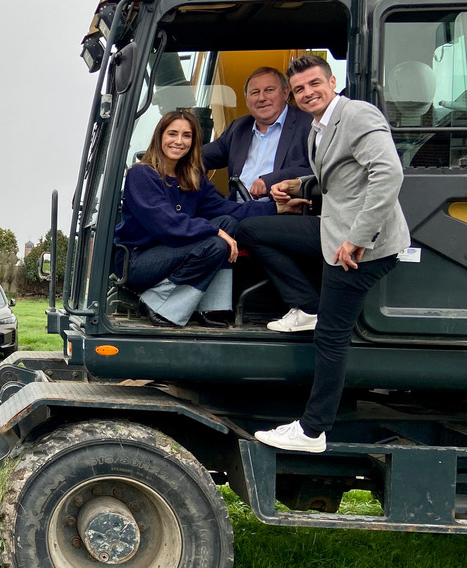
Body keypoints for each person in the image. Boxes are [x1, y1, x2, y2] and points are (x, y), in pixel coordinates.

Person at [243, 54, 410, 453]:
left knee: (332, 338)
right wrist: (298, 187)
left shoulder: (357, 115)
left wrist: (357, 239)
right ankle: (306, 305)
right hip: (334, 229)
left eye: (314, 84)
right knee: (254, 228)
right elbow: (336, 178)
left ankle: (312, 429)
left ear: (332, 82)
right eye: (299, 89)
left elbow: (388, 174)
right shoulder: (318, 127)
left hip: (359, 246)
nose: (307, 93)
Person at [114, 109, 277, 328]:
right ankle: (157, 303)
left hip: (173, 252)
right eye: (172, 134)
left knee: (227, 223)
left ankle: (207, 306)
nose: (179, 141)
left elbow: (229, 210)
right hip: (137, 261)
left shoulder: (191, 179)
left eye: (186, 136)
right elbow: (167, 225)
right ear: (160, 137)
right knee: (216, 243)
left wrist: (280, 209)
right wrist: (215, 231)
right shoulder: (142, 174)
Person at [203, 66, 312, 199]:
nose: (262, 98)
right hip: (237, 210)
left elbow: (317, 171)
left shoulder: (308, 124)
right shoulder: (239, 128)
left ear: (285, 92)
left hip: (281, 211)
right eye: (255, 92)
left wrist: (270, 181)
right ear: (247, 99)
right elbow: (199, 157)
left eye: (269, 90)